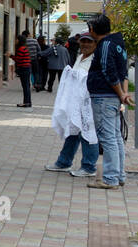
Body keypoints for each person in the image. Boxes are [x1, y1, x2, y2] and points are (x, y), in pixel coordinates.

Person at [44, 32, 98, 177]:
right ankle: (64, 162)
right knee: (73, 132)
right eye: (83, 41)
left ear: (95, 44)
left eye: (89, 42)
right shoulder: (80, 57)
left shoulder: (95, 59)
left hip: (88, 103)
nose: (85, 44)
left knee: (87, 133)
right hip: (76, 103)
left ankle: (89, 167)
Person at [86, 14, 129, 190]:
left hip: (104, 97)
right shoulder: (118, 44)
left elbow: (108, 70)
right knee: (116, 137)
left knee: (108, 138)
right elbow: (123, 71)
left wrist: (120, 94)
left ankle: (110, 178)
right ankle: (119, 175)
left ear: (94, 30)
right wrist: (123, 94)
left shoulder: (105, 45)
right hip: (111, 97)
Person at [12, 32, 32, 108]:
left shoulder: (21, 49)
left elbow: (18, 60)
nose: (15, 40)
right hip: (26, 68)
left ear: (19, 40)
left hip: (24, 68)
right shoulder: (25, 48)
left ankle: (26, 102)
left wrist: (11, 56)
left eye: (16, 39)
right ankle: (27, 102)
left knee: (25, 86)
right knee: (26, 86)